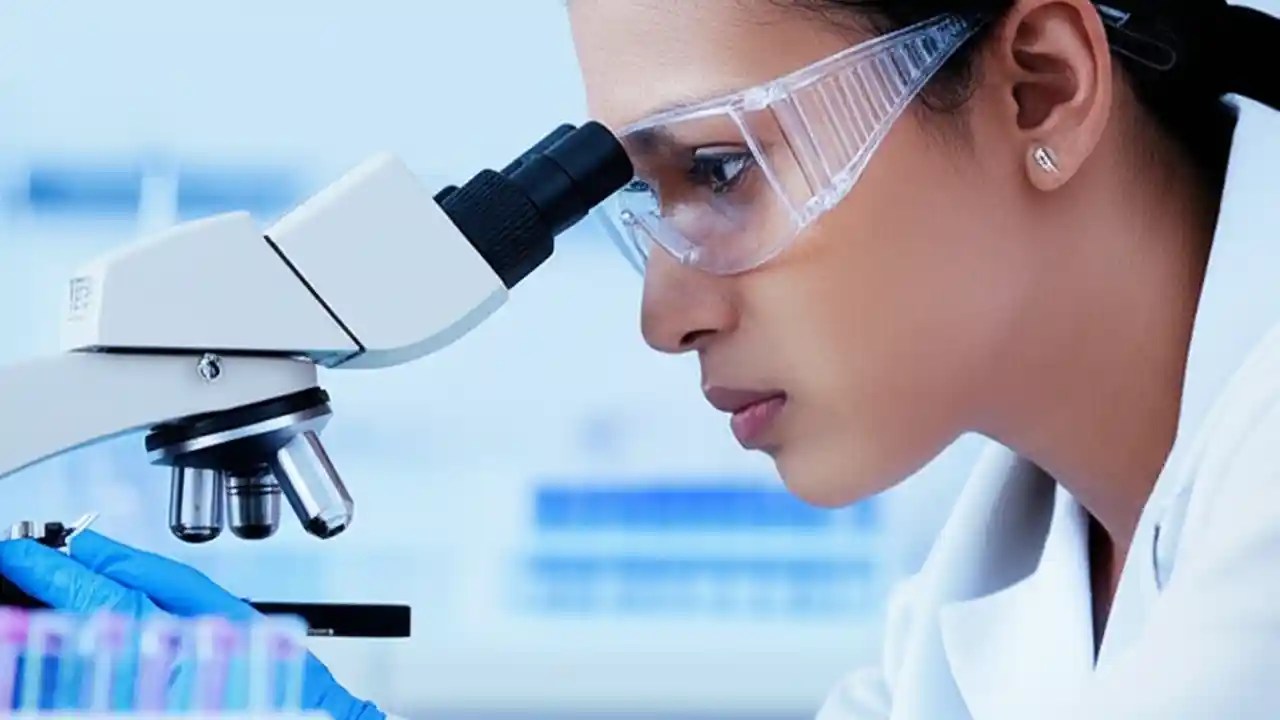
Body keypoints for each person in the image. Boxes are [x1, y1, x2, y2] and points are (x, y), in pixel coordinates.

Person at [2, 0, 1280, 717]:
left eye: (719, 169)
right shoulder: (978, 601)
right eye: (644, 200)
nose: (663, 318)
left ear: (1037, 87)